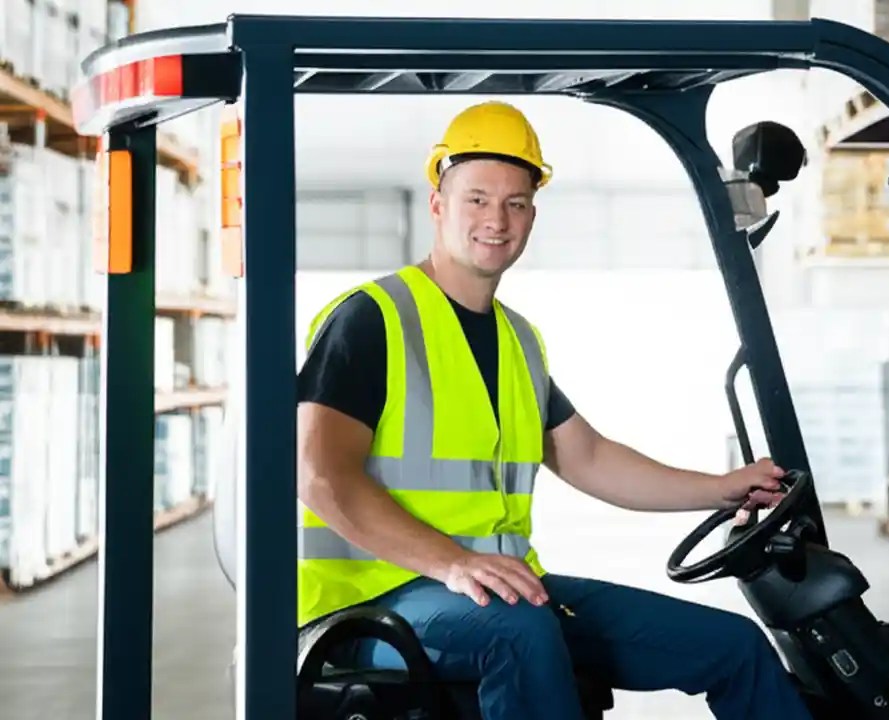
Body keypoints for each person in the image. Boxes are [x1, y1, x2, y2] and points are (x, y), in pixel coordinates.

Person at [295, 100, 816, 720]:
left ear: (532, 215)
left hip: (494, 589)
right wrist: (453, 562)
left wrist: (723, 488)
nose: (497, 219)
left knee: (734, 647)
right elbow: (320, 474)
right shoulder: (373, 318)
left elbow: (589, 457)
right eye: (478, 199)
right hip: (376, 602)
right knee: (521, 631)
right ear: (438, 204)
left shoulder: (518, 340)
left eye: (515, 203)